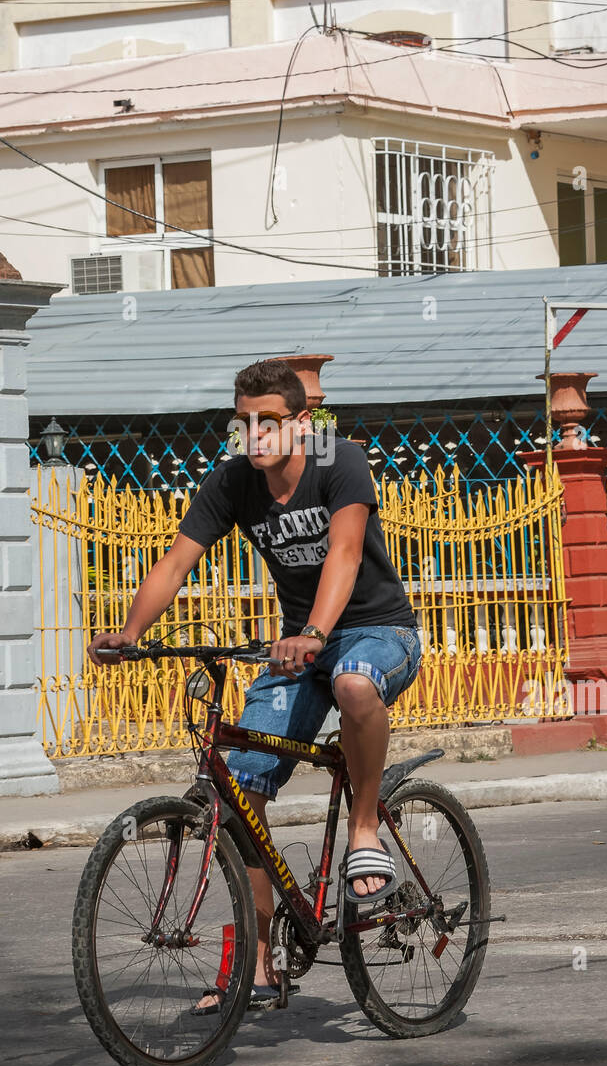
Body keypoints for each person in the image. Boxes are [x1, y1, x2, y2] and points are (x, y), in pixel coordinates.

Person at [88, 358, 422, 1010]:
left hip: (376, 631)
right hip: (299, 647)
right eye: (242, 423)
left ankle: (362, 832)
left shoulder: (341, 460)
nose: (253, 434)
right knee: (239, 797)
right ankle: (257, 965)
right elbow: (177, 560)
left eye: (266, 421)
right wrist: (129, 632)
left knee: (356, 687)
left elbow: (347, 554)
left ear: (301, 422)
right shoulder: (234, 483)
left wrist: (319, 634)